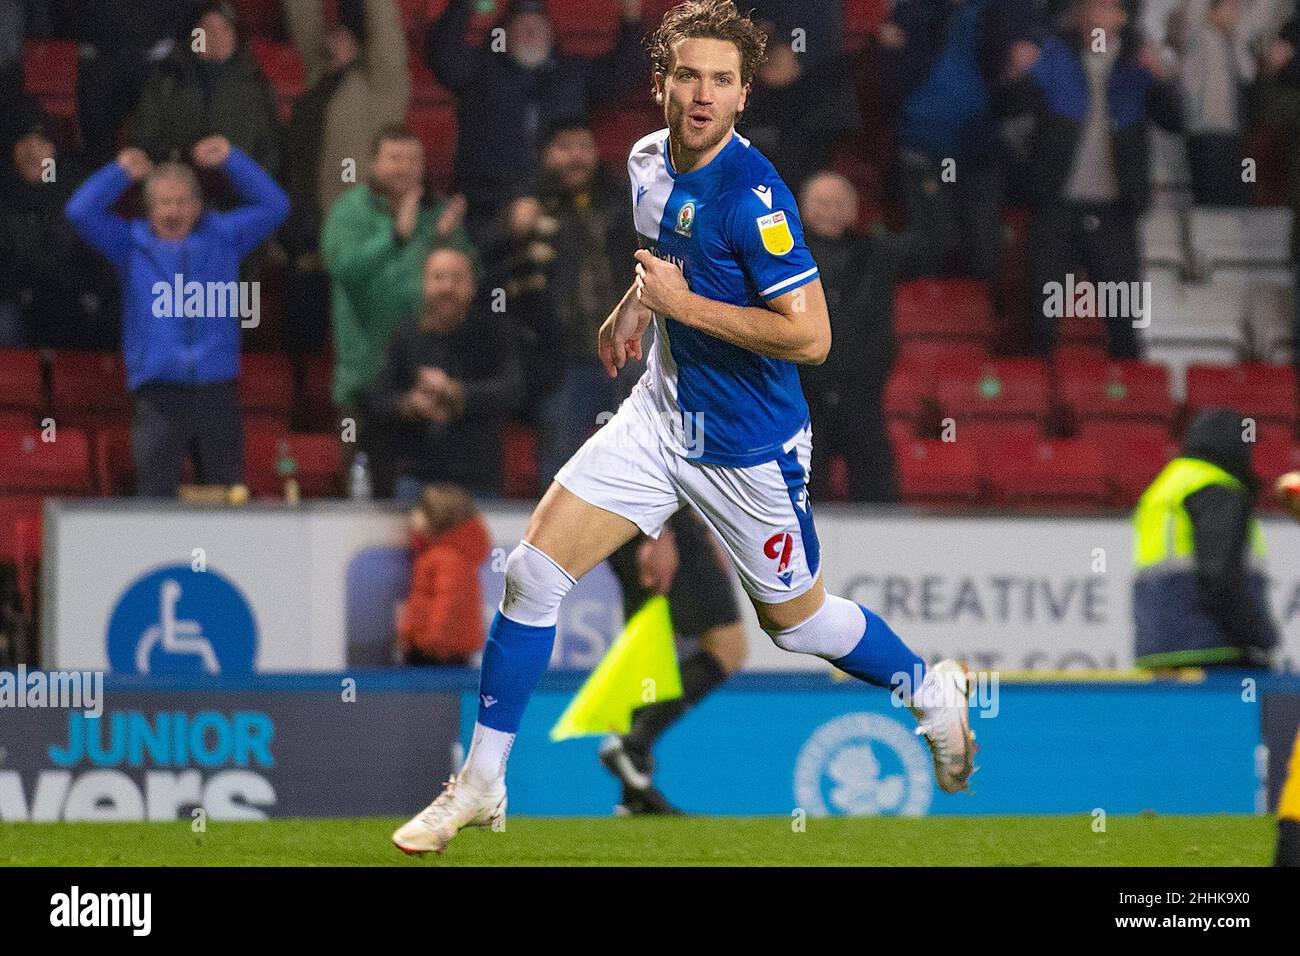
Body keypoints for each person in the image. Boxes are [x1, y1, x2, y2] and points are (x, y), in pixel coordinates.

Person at [392, 0, 977, 856]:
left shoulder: (758, 198)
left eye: (724, 81)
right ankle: (480, 784)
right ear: (661, 83)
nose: (704, 94)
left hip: (748, 447)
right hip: (660, 418)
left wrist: (679, 304)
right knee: (531, 572)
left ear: (744, 97)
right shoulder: (643, 161)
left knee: (797, 625)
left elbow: (812, 337)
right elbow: (672, 254)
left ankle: (931, 693)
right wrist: (638, 307)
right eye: (690, 76)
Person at [64, 136, 289, 496]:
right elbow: (79, 212)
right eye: (164, 203)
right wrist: (119, 173)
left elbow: (276, 205)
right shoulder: (128, 244)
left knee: (228, 497)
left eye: (182, 202)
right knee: (155, 500)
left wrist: (232, 161)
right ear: (148, 209)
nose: (173, 212)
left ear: (198, 206)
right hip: (157, 394)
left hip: (217, 390)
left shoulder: (225, 237)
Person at [999, 0, 1183, 358]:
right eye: (1087, 7)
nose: (1091, 16)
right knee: (1040, 324)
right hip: (1056, 213)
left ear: (1121, 17)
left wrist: (1162, 78)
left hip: (1117, 214)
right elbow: (1006, 107)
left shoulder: (1136, 65)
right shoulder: (1055, 58)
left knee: (1124, 325)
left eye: (1102, 8)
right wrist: (1015, 73)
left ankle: (1122, 406)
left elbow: (1176, 121)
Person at [320, 125, 476, 495]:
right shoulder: (350, 210)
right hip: (363, 381)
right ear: (373, 163)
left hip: (422, 385)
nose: (404, 167)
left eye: (412, 159)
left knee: (423, 502)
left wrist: (448, 240)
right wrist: (394, 237)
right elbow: (341, 267)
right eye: (394, 158)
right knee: (362, 504)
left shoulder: (437, 214)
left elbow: (469, 280)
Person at [424, 0, 648, 238]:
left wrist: (630, 18)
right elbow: (443, 53)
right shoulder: (481, 73)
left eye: (537, 26)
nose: (530, 32)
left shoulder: (572, 74)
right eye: (521, 27)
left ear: (551, 34)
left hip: (561, 203)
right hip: (485, 204)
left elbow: (628, 69)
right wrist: (464, 6)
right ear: (504, 35)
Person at [281, 0, 412, 355]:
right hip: (309, 234)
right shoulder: (320, 77)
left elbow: (385, 29)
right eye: (330, 35)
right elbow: (303, 18)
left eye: (342, 35)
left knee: (359, 347)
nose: (330, 40)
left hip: (359, 236)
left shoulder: (382, 88)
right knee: (304, 344)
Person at [599, 509, 747, 815]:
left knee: (654, 651)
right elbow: (664, 461)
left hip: (630, 521)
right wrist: (663, 533)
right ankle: (632, 745)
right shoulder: (665, 531)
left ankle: (633, 795)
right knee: (727, 648)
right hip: (663, 523)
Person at [362, 248, 527, 498]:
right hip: (416, 478)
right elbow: (375, 398)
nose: (447, 288)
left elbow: (513, 390)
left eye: (457, 279)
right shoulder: (405, 333)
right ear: (425, 284)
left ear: (472, 287)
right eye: (438, 278)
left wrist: (454, 391)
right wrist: (410, 404)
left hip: (478, 480)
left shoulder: (493, 333)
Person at [1132, 407, 1279, 669]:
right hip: (1212, 651)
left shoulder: (1165, 488)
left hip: (1159, 653)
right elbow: (1221, 580)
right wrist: (1259, 635)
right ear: (1230, 444)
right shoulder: (1214, 487)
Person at [798, 171, 911, 503]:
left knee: (879, 497)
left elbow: (934, 243)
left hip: (861, 396)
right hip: (803, 398)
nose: (829, 210)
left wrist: (927, 187)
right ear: (804, 208)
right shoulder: (783, 256)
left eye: (838, 203)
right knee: (799, 499)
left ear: (853, 210)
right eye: (821, 202)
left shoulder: (877, 255)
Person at [0, 115, 120, 349]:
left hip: (72, 295)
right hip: (18, 297)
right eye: (24, 144)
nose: (32, 151)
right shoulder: (5, 190)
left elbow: (98, 252)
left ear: (54, 149)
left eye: (41, 143)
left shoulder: (77, 189)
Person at [130, 2, 282, 178]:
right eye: (207, 29)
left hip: (238, 190)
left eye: (225, 29)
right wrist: (183, 155)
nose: (216, 37)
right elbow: (143, 141)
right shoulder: (166, 80)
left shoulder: (255, 86)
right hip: (176, 185)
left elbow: (270, 150)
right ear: (193, 36)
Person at [399, 484, 493, 667]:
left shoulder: (447, 559)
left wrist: (431, 641)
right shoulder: (437, 554)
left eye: (420, 511)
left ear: (436, 518)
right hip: (436, 649)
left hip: (438, 653)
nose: (413, 515)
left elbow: (447, 604)